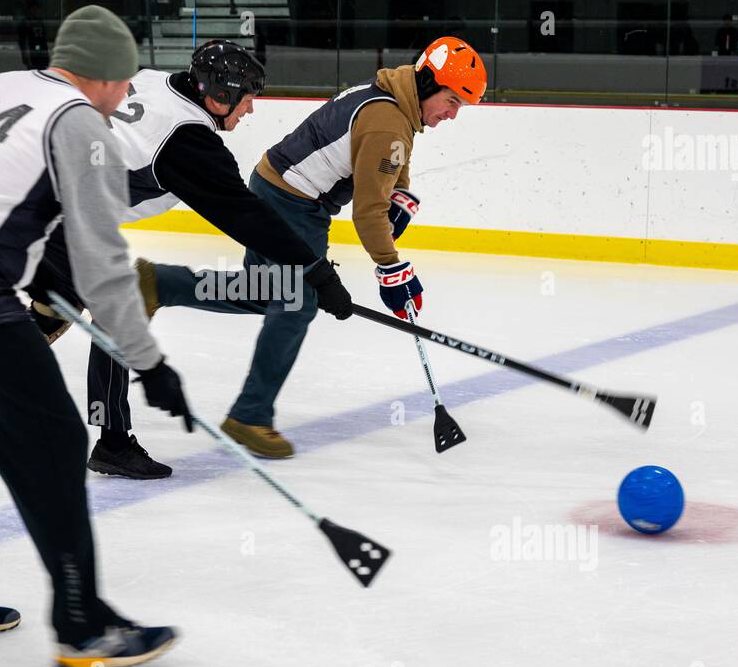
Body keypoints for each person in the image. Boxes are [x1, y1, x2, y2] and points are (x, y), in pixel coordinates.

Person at [0, 5, 187, 667]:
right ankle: (84, 626)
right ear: (101, 75)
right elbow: (104, 262)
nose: (128, 93)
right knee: (55, 444)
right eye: (125, 80)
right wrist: (150, 362)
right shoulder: (78, 122)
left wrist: (41, 278)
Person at [142, 37, 487, 459]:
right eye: (452, 102)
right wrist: (391, 270)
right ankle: (250, 417)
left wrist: (403, 194)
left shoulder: (391, 100)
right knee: (295, 305)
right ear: (430, 83)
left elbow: (393, 160)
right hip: (292, 204)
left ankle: (160, 283)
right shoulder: (388, 120)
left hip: (278, 190)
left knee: (266, 294)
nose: (451, 115)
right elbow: (368, 213)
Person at [28, 40, 353, 479]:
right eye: (247, 100)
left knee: (53, 314)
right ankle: (112, 443)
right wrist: (314, 271)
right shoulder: (187, 140)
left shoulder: (152, 80)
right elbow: (247, 216)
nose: (250, 111)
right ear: (219, 96)